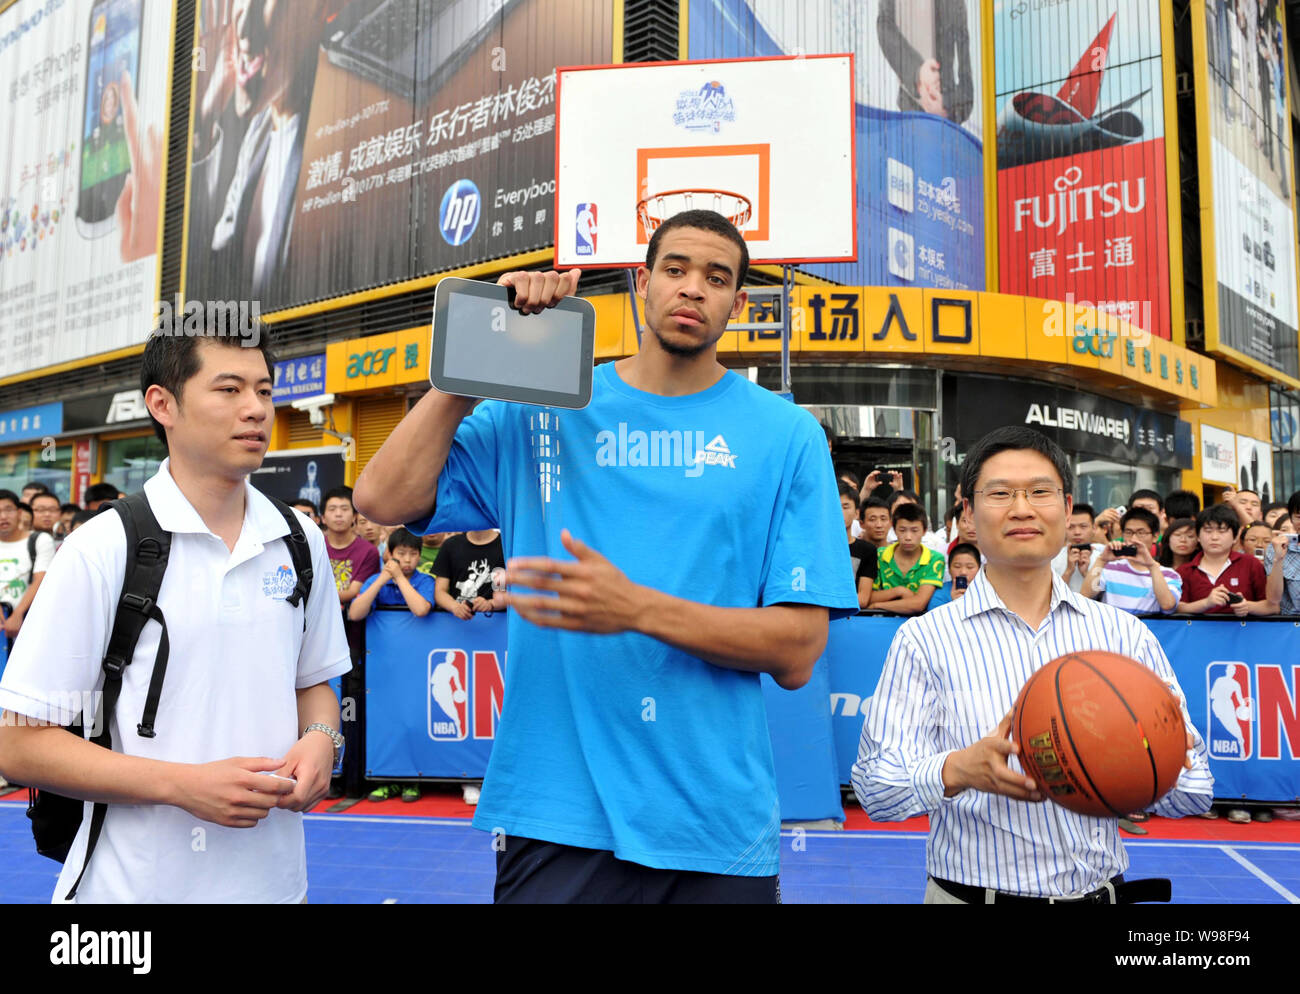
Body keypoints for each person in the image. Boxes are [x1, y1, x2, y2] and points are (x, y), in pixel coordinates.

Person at [353, 209, 858, 903]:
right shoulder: (543, 405)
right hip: (556, 810)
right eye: (675, 270)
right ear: (642, 283)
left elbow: (799, 650)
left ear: (739, 304)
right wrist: (482, 354)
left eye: (717, 278)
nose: (693, 289)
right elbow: (382, 496)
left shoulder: (786, 434)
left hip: (713, 820)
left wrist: (636, 608)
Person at [0, 323, 350, 902]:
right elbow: (18, 743)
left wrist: (320, 739)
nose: (256, 410)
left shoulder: (297, 539)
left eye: (264, 391)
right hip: (132, 891)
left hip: (276, 884)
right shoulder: (105, 546)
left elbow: (313, 681)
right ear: (163, 404)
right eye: (229, 389)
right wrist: (182, 785)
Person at [852, 426, 1212, 903]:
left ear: (1065, 510)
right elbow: (875, 789)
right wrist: (957, 769)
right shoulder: (925, 639)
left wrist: (1144, 765)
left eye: (1040, 492)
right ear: (969, 516)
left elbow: (1195, 790)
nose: (1022, 508)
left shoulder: (1123, 634)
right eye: (1000, 493)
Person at [181, 0, 332, 308]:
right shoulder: (259, 133)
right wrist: (206, 116)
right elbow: (210, 270)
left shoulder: (339, 125)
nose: (244, 22)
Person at [349, 527, 436, 806]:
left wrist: (399, 578)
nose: (408, 559)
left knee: (415, 720)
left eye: (413, 554)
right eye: (402, 554)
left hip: (418, 665)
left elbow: (421, 609)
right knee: (387, 720)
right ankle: (388, 779)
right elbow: (354, 612)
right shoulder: (377, 579)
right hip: (382, 666)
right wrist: (382, 579)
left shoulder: (424, 581)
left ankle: (414, 779)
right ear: (389, 554)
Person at [321, 484, 378, 799]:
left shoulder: (366, 552)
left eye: (344, 508)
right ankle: (324, 774)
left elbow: (355, 591)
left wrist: (323, 596)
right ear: (323, 516)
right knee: (316, 707)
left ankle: (352, 779)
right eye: (333, 509)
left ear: (355, 516)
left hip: (353, 642)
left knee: (349, 709)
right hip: (314, 641)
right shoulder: (314, 544)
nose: (339, 514)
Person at [1176, 505, 1274, 617]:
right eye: (1208, 531)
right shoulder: (1185, 571)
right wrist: (1206, 603)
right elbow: (1176, 607)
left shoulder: (1251, 564)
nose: (1214, 537)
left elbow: (1272, 606)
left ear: (1235, 537)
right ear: (1198, 536)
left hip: (1243, 632)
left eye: (1222, 531)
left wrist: (1248, 607)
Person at [1082, 508, 1181, 615]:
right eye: (1129, 532)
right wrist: (1101, 560)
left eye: (1141, 532)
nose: (1134, 538)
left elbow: (1167, 605)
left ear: (1155, 536)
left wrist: (1152, 566)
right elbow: (1086, 595)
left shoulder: (1169, 574)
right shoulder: (1110, 568)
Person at [0, 490, 55, 645]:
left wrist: (18, 614)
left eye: (8, 509)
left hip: (28, 627)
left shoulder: (39, 540)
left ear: (19, 512)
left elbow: (40, 579)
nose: (3, 516)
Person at [870, 503, 945, 615]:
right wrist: (899, 591)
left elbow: (919, 604)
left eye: (914, 530)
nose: (908, 537)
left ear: (924, 531)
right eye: (902, 530)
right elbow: (868, 596)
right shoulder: (879, 555)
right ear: (894, 529)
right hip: (882, 623)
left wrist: (878, 605)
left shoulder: (935, 559)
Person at [432, 529, 506, 620]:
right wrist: (454, 607)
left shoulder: (505, 545)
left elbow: (510, 592)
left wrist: (491, 604)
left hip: (495, 622)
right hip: (456, 622)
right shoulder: (451, 545)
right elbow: (439, 591)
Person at [1051, 502, 1105, 593]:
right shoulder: (1053, 557)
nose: (1077, 532)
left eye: (1083, 526)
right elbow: (1050, 595)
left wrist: (1086, 574)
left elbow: (1104, 596)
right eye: (1071, 527)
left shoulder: (1102, 559)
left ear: (1094, 528)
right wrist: (1068, 571)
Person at [840, 482, 876, 611]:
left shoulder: (868, 550)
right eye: (834, 506)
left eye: (845, 507)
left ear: (856, 513)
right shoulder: (816, 548)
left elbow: (862, 599)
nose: (839, 512)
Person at [926, 541, 979, 610]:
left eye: (970, 567)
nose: (963, 572)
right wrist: (955, 604)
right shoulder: (938, 595)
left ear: (979, 568)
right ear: (949, 569)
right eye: (957, 566)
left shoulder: (987, 591)